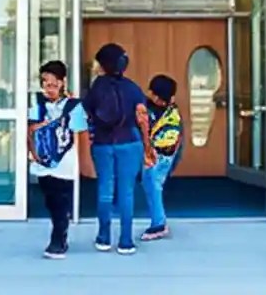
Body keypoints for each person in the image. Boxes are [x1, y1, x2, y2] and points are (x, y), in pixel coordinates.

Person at [82, 43, 154, 255]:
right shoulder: (133, 88)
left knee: (105, 189)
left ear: (102, 64)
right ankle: (125, 241)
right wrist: (148, 147)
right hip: (130, 143)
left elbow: (86, 115)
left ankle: (104, 237)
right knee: (127, 192)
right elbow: (142, 119)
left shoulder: (96, 88)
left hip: (104, 144)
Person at [27, 60, 88, 259]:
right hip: (41, 160)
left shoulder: (73, 106)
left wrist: (83, 164)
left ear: (62, 82)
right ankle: (59, 232)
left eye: (53, 84)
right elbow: (29, 129)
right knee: (50, 200)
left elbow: (79, 134)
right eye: (45, 83)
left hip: (65, 161)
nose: (48, 88)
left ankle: (58, 240)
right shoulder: (37, 104)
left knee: (61, 201)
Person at [141, 74, 182, 241]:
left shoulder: (171, 117)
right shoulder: (146, 105)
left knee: (153, 182)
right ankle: (158, 221)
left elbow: (168, 142)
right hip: (153, 152)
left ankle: (159, 223)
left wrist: (151, 151)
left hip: (162, 154)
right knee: (150, 183)